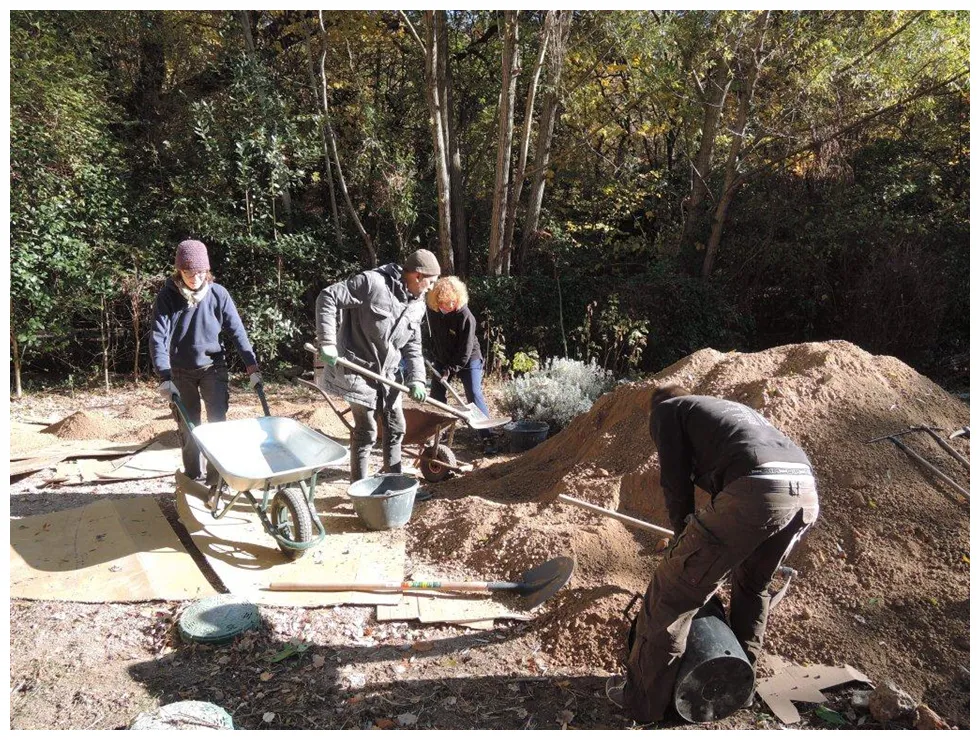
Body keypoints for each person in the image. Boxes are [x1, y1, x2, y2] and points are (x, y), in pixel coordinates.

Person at [611, 384, 820, 722]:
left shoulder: (668, 410)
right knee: (753, 587)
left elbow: (675, 483)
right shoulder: (724, 412)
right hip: (804, 492)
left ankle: (642, 704)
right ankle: (740, 691)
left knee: (673, 591)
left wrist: (682, 543)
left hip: (760, 487)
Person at [316, 249, 440, 482]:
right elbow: (328, 297)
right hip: (357, 370)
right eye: (431, 282)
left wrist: (417, 379)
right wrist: (327, 342)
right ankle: (360, 488)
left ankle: (393, 483)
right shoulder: (371, 283)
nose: (431, 288)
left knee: (397, 427)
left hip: (389, 374)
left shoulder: (417, 305)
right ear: (417, 276)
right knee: (367, 431)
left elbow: (413, 345)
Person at [150, 239, 261, 484]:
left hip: (213, 367)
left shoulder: (218, 294)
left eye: (200, 272)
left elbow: (237, 331)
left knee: (217, 427)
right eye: (188, 272)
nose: (194, 278)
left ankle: (216, 481)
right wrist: (165, 376)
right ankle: (193, 479)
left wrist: (251, 366)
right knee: (190, 430)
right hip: (180, 370)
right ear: (179, 271)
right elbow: (159, 337)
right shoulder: (167, 297)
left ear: (207, 271)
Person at [424, 276, 495, 452]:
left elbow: (465, 350)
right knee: (436, 395)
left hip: (469, 358)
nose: (444, 307)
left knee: (473, 394)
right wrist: (436, 359)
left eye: (448, 303)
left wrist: (451, 369)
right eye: (440, 303)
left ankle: (488, 437)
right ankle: (439, 433)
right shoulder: (434, 312)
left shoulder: (466, 317)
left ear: (456, 299)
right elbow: (435, 338)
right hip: (443, 358)